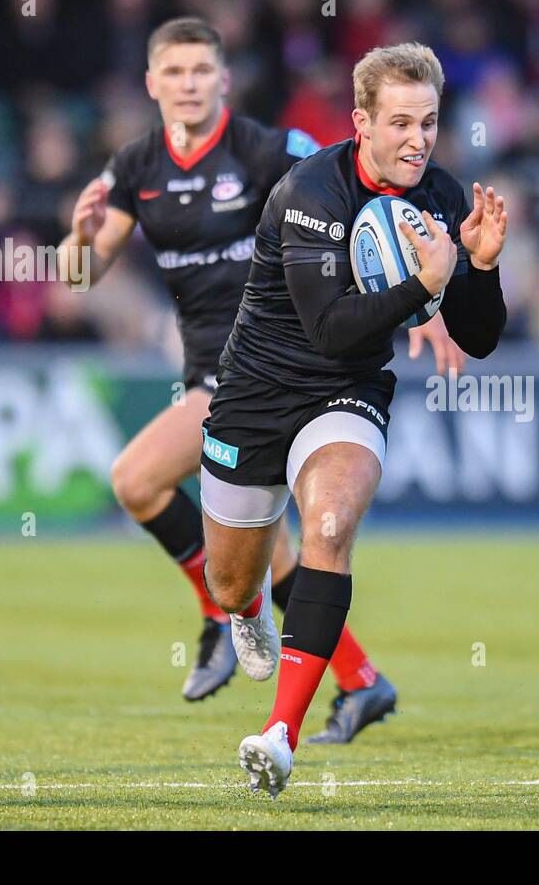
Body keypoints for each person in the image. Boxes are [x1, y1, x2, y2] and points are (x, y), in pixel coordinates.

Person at [59, 19, 456, 726]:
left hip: (263, 361)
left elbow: (366, 202)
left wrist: (426, 302)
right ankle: (358, 677)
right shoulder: (136, 167)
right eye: (175, 73)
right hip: (204, 367)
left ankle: (222, 619)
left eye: (202, 71)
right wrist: (76, 242)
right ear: (153, 84)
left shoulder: (272, 153)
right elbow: (84, 274)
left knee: (137, 478)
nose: (189, 85)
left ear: (224, 80)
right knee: (262, 553)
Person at [198, 42, 507, 797]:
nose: (418, 139)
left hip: (347, 394)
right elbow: (329, 324)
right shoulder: (309, 192)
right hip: (256, 395)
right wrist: (424, 286)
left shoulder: (440, 196)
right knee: (232, 585)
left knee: (329, 527)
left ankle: (280, 735)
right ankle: (248, 614)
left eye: (430, 122)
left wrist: (483, 266)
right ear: (361, 122)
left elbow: (478, 335)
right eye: (401, 122)